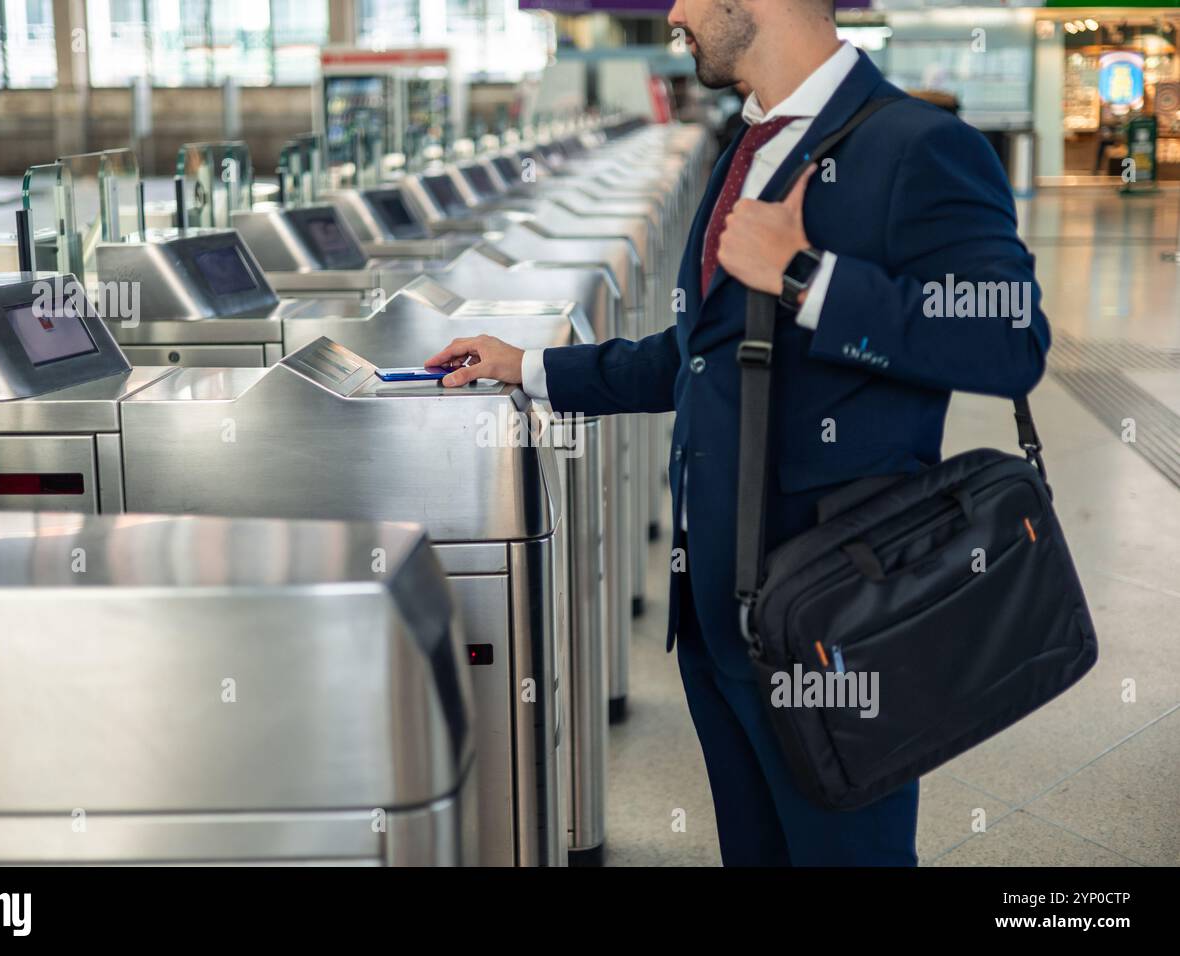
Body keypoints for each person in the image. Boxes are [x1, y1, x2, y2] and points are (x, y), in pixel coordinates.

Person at [424, 0, 1048, 866]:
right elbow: (704, 356)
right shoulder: (749, 145)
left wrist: (804, 277)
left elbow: (1009, 339)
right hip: (720, 612)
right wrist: (528, 368)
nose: (675, 11)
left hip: (837, 615)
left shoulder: (915, 146)